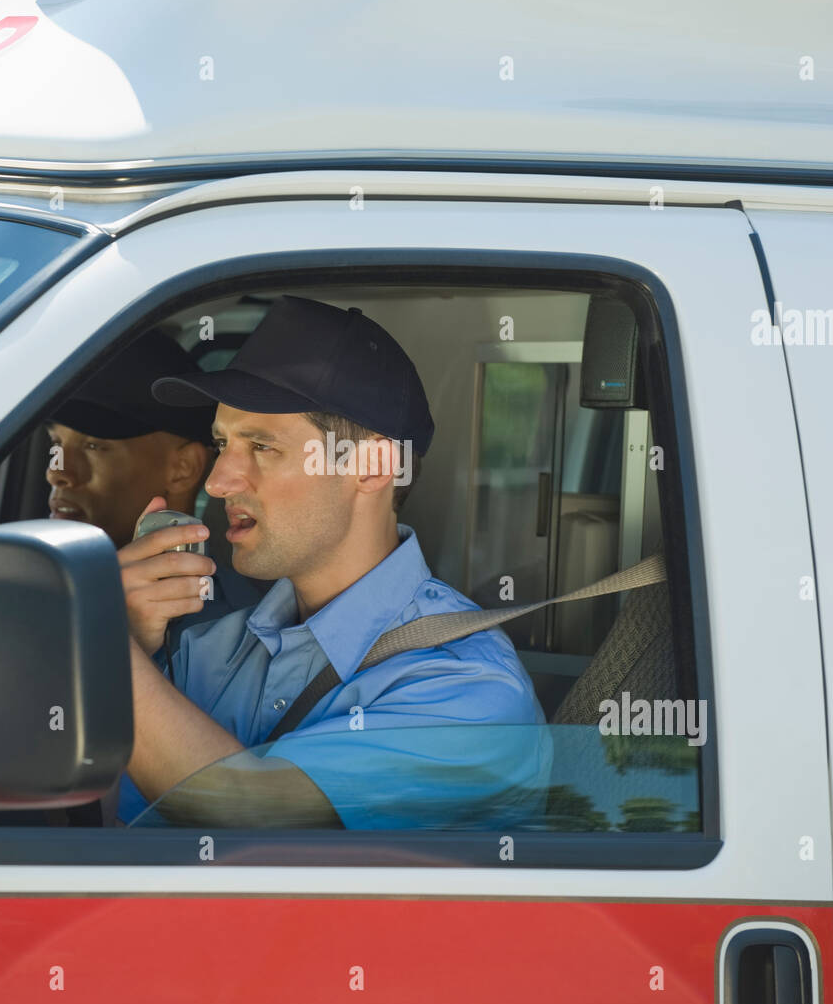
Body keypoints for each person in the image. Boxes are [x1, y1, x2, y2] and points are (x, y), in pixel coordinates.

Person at [116, 296, 551, 830]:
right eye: (221, 442)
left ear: (370, 468)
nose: (217, 481)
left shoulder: (470, 691)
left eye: (262, 447)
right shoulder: (206, 648)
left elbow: (245, 813)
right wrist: (134, 641)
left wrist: (101, 640)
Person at [47, 329, 264, 631]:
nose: (57, 472)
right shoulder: (40, 580)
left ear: (183, 468)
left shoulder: (218, 628)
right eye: (55, 442)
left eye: (94, 446)